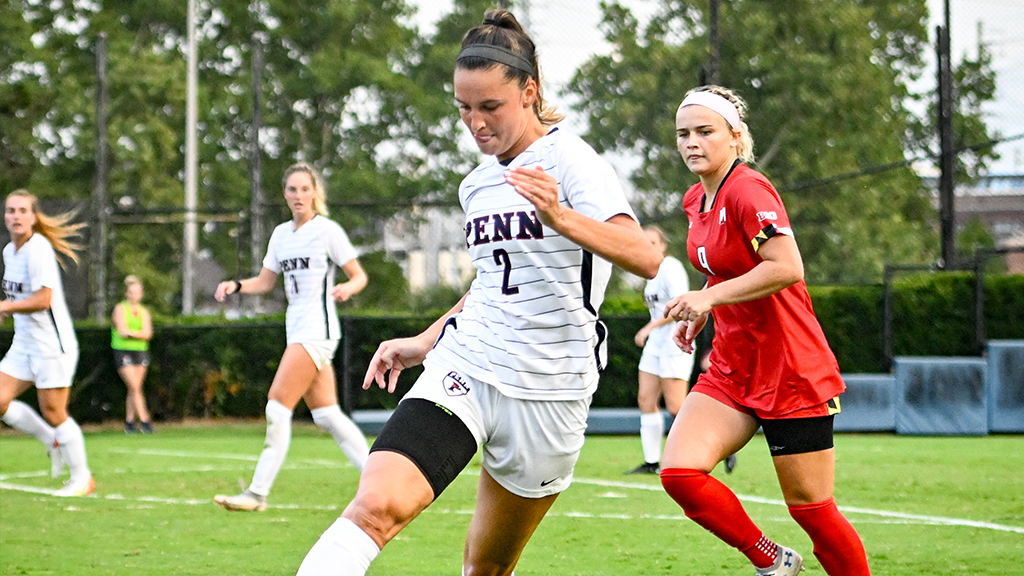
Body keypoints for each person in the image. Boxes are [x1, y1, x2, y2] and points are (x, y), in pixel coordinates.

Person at [296, 10, 661, 576]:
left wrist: (560, 216)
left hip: (551, 388)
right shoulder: (478, 183)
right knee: (375, 508)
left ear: (529, 92)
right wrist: (425, 340)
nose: (476, 123)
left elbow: (644, 254)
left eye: (489, 106)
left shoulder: (572, 159)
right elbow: (493, 284)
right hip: (469, 363)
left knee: (487, 567)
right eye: (464, 108)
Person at [660, 85, 870, 576]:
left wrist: (709, 296)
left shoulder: (749, 190)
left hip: (791, 368)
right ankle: (773, 561)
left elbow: (787, 266)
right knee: (680, 473)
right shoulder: (697, 198)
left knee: (812, 510)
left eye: (705, 132)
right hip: (734, 366)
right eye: (683, 134)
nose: (692, 142)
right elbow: (724, 266)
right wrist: (705, 308)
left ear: (735, 136)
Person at [212, 161, 371, 512]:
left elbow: (359, 275)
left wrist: (348, 288)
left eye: (305, 188)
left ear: (315, 192)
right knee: (327, 414)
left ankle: (256, 493)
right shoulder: (282, 234)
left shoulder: (327, 231)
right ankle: (379, 478)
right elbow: (266, 282)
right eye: (292, 190)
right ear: (284, 195)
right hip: (296, 327)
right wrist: (236, 285)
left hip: (318, 328)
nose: (299, 195)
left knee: (277, 405)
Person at [0, 189, 95, 497]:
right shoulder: (9, 251)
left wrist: (5, 307)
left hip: (52, 346)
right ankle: (50, 441)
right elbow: (20, 298)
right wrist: (9, 308)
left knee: (55, 411)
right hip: (24, 343)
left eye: (22, 210)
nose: (16, 216)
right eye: (11, 210)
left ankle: (83, 479)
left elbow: (43, 299)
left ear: (33, 217)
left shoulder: (38, 248)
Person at [626, 226, 692, 475]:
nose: (648, 247)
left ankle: (721, 444)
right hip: (656, 344)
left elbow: (680, 305)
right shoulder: (649, 271)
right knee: (646, 399)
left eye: (653, 242)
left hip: (675, 341)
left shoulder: (670, 266)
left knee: (676, 406)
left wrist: (649, 327)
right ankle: (652, 462)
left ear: (663, 246)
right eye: (644, 242)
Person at [112, 275, 155, 434]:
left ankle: (129, 422)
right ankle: (145, 420)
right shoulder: (120, 309)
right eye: (131, 292)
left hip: (141, 351)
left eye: (137, 292)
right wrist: (138, 333)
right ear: (126, 293)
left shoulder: (144, 311)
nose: (134, 295)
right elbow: (122, 331)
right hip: (123, 350)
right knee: (134, 386)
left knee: (135, 388)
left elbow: (148, 333)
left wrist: (133, 333)